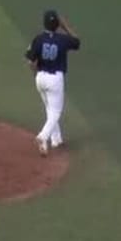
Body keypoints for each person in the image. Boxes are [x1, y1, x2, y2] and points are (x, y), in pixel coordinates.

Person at [24, 9, 81, 156]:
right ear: (57, 25)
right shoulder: (63, 40)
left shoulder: (38, 39)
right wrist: (65, 26)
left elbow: (30, 61)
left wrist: (36, 74)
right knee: (56, 112)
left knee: (49, 108)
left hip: (40, 78)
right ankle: (43, 136)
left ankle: (56, 140)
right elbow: (77, 42)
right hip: (55, 80)